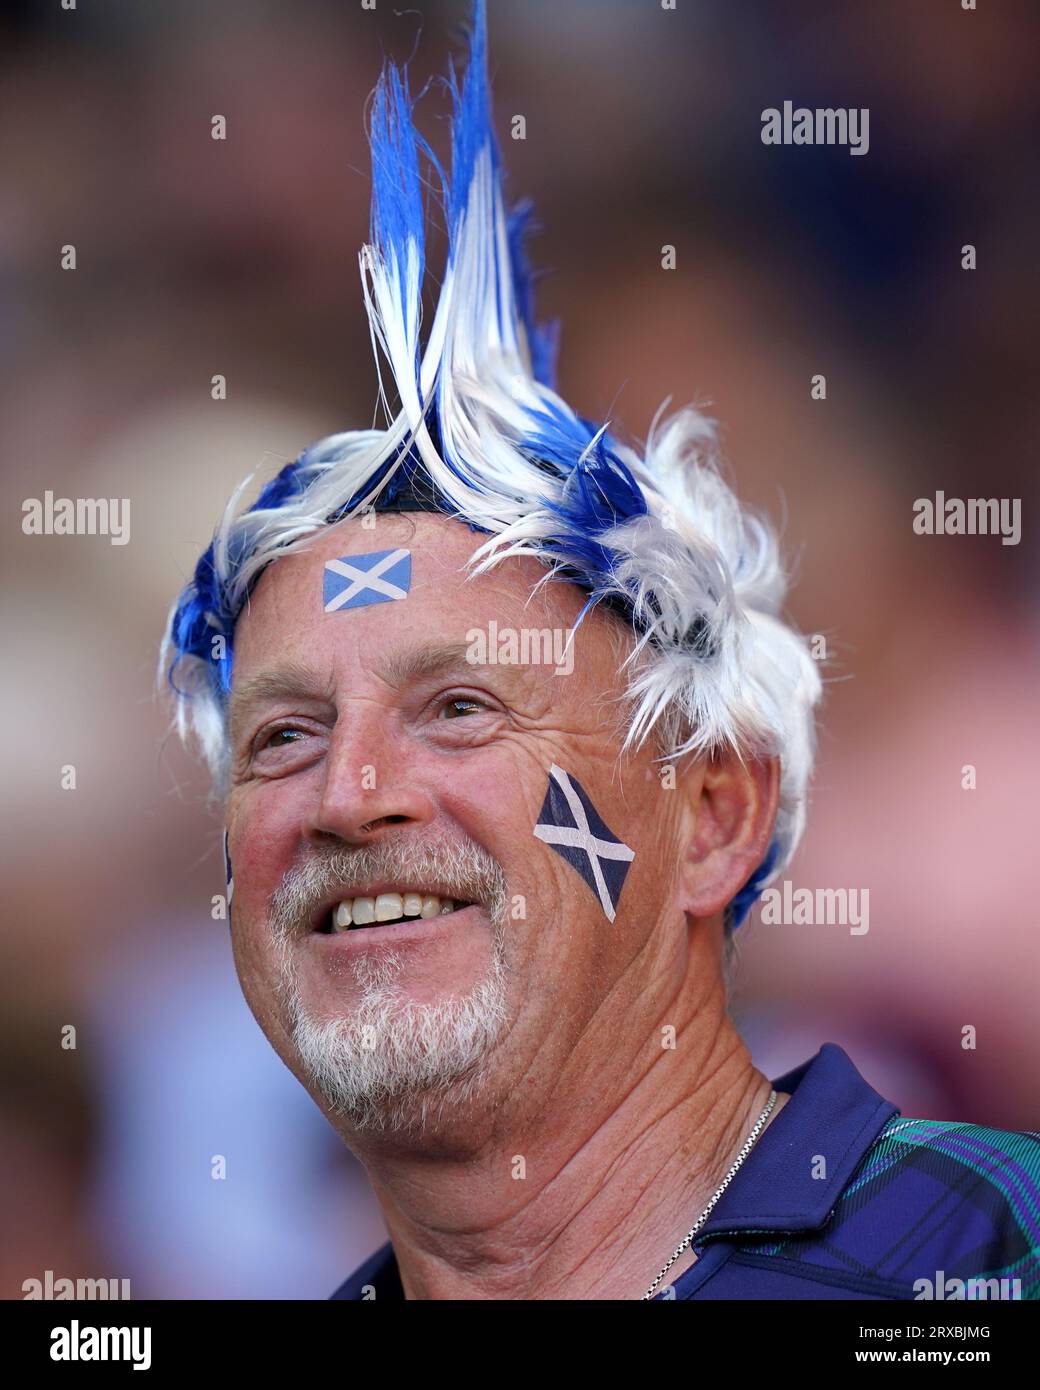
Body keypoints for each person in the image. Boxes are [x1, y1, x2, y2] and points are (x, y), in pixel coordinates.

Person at [160, 1, 1039, 1300]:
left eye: (460, 706)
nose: (348, 797)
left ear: (715, 816)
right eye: (283, 734)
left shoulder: (983, 1251)